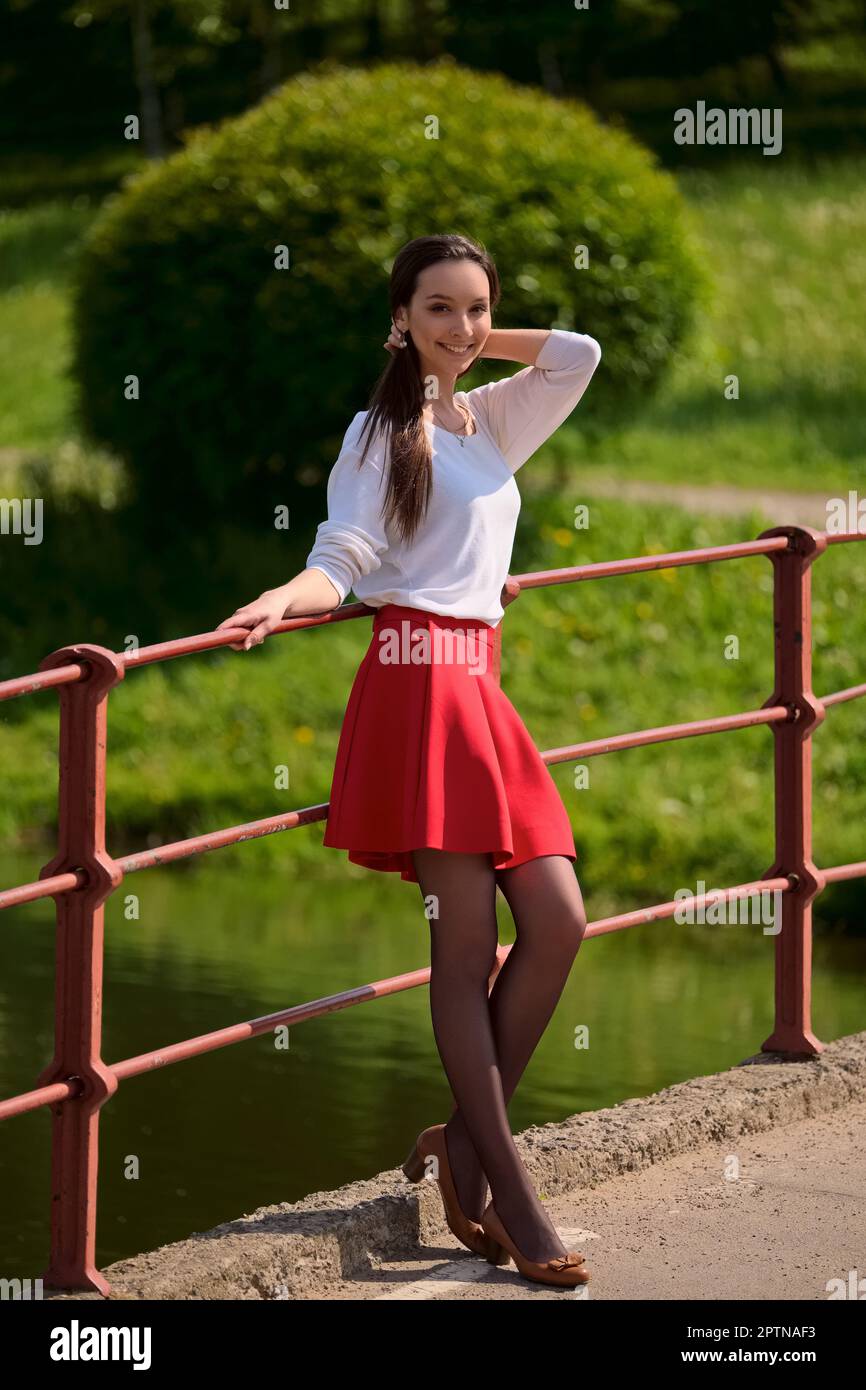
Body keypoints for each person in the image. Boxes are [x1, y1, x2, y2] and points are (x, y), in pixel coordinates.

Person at [217, 233, 602, 1288]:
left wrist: (470, 348)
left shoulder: (490, 417)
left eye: (476, 308)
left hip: (479, 689)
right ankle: (508, 1197)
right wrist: (279, 601)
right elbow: (339, 560)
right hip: (412, 691)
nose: (462, 326)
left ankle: (459, 1147)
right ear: (397, 314)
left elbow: (576, 352)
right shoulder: (379, 432)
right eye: (437, 307)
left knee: (561, 919)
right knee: (464, 947)